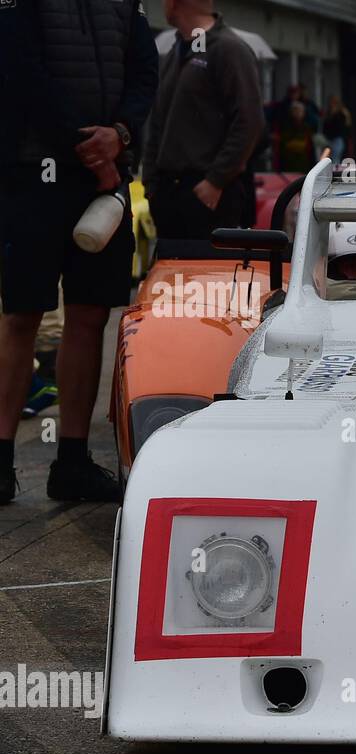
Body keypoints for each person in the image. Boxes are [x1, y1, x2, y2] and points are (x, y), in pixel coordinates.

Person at [0, 0, 158, 505]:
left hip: (106, 176)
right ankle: (1, 464)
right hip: (33, 174)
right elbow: (21, 69)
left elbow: (144, 68)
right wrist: (89, 149)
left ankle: (71, 461)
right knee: (22, 315)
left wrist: (122, 134)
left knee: (90, 315)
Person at [144, 0, 265, 241]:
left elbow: (249, 121)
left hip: (209, 195)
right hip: (170, 193)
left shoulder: (229, 50)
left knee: (208, 277)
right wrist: (152, 184)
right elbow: (157, 122)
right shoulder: (175, 52)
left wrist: (216, 181)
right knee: (173, 276)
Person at [276, 100, 317, 173]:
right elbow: (282, 146)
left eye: (300, 111)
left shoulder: (306, 128)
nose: (298, 113)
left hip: (304, 164)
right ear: (291, 112)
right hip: (288, 164)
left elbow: (310, 148)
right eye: (295, 111)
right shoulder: (285, 127)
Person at [323, 96, 353, 160]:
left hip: (338, 139)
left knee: (335, 159)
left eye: (334, 103)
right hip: (327, 138)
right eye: (331, 102)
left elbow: (346, 126)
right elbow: (325, 126)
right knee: (326, 159)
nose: (332, 104)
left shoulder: (342, 113)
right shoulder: (328, 113)